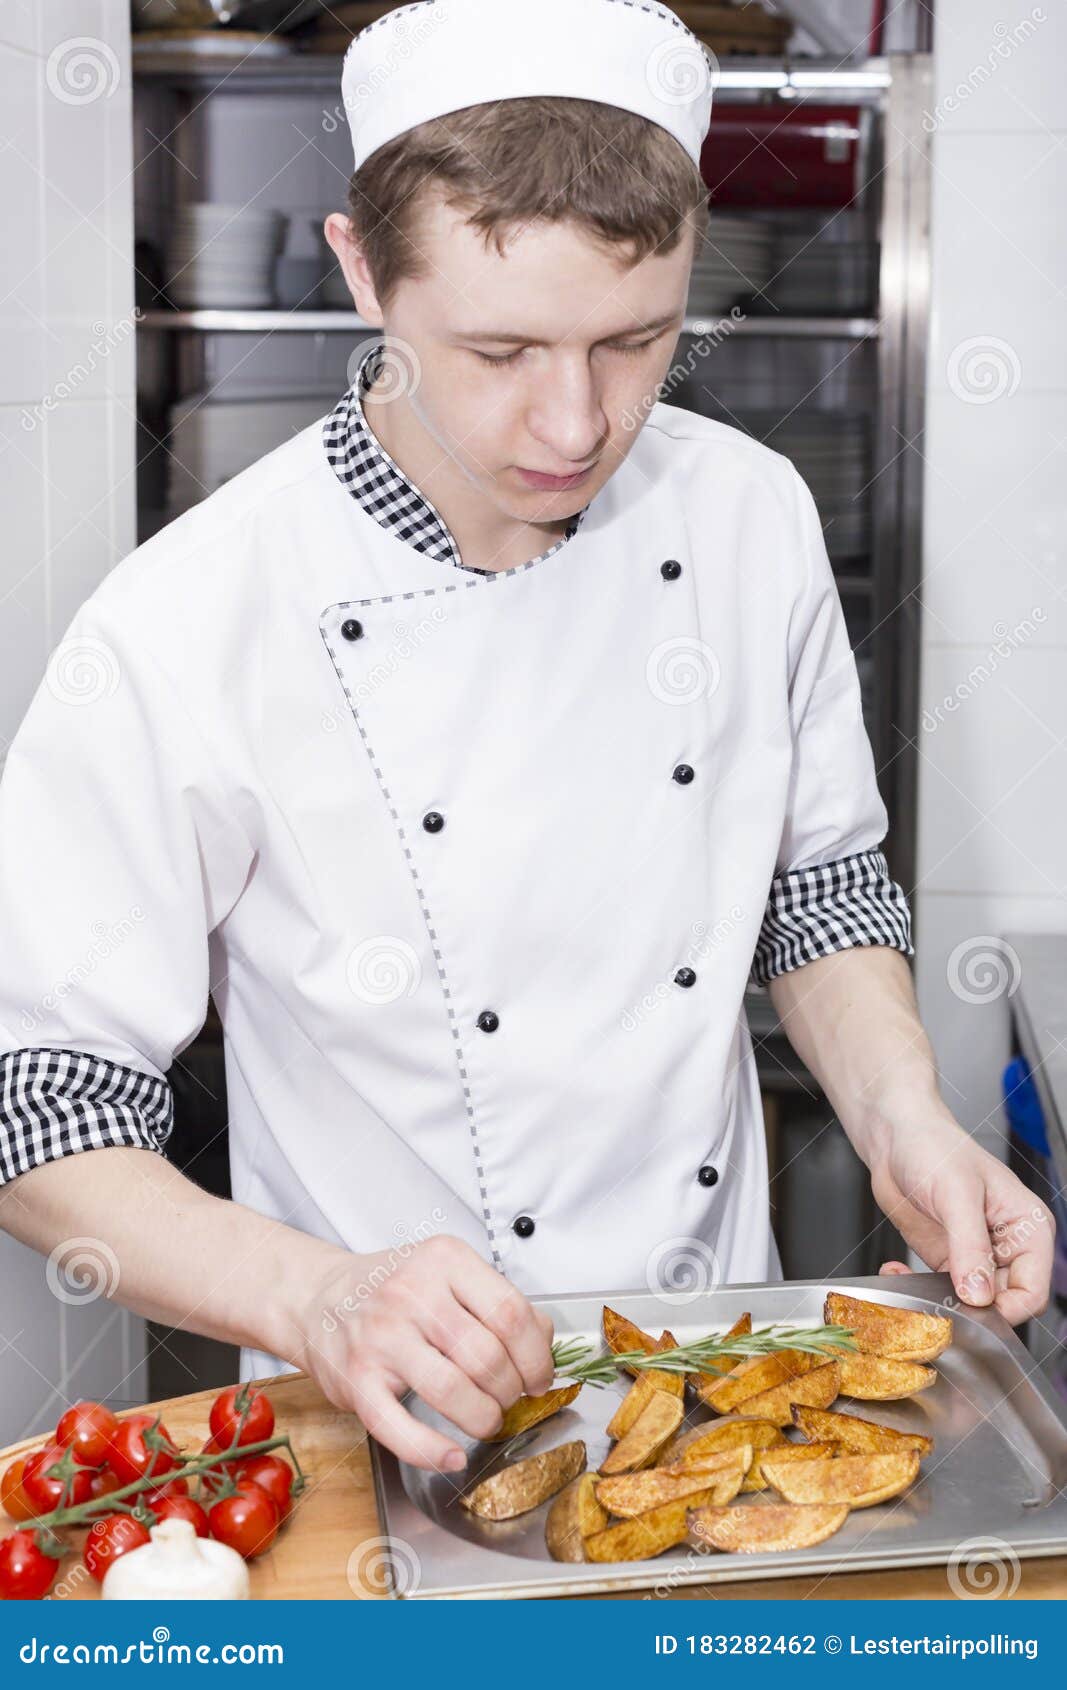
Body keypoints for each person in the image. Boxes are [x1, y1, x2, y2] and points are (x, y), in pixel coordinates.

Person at [0, 0, 1051, 1476]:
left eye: (636, 341)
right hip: (380, 1419)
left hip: (715, 1386)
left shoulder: (749, 514)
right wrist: (318, 1296)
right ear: (361, 271)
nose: (575, 424)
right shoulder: (190, 616)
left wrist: (905, 1119)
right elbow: (42, 1101)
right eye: (500, 349)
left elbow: (816, 888)